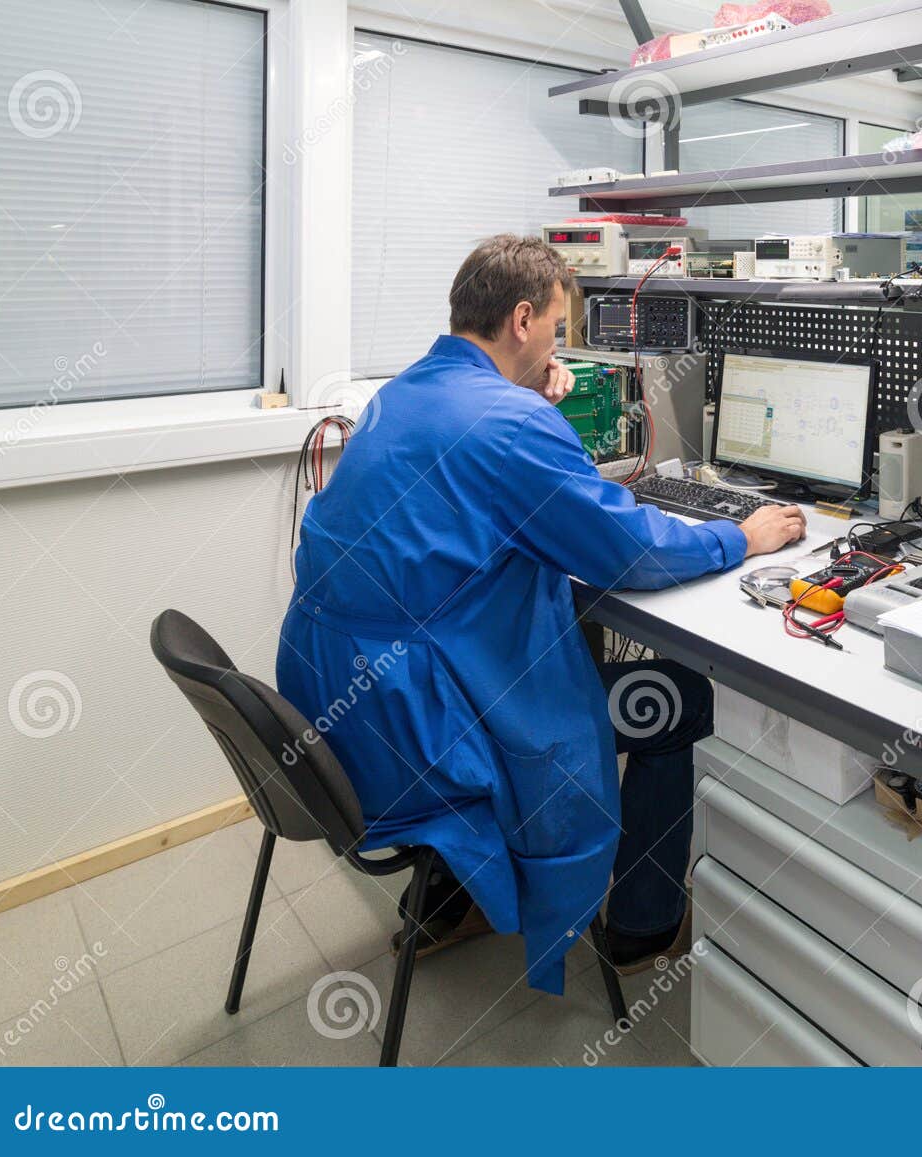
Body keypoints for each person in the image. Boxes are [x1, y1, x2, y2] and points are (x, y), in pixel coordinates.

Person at [276, 234, 806, 991]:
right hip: (427, 727)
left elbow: (463, 497)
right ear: (522, 320)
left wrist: (522, 399)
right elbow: (627, 553)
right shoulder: (508, 424)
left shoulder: (402, 394)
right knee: (681, 698)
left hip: (336, 703)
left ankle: (446, 898)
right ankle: (639, 925)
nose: (561, 343)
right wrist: (739, 536)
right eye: (558, 326)